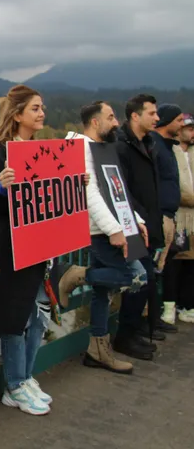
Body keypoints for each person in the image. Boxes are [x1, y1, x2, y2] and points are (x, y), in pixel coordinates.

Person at [0, 84, 69, 416]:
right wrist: (0, 187)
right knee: (15, 318)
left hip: (39, 249)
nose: (42, 114)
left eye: (42, 108)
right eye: (36, 109)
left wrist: (73, 184)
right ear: (18, 115)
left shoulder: (42, 153)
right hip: (10, 250)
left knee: (36, 316)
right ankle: (15, 385)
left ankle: (25, 377)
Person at [66, 101, 149, 374]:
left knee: (103, 292)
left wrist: (135, 222)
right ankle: (77, 274)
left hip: (111, 228)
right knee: (135, 276)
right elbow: (91, 195)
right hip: (99, 231)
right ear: (95, 122)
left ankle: (97, 350)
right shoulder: (81, 150)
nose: (116, 123)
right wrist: (115, 229)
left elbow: (116, 191)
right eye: (111, 117)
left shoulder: (103, 148)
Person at [112, 94, 165, 360]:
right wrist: (139, 219)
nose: (157, 118)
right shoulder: (122, 146)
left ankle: (133, 332)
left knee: (147, 280)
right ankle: (124, 336)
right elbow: (123, 189)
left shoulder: (147, 143)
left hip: (148, 223)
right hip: (133, 223)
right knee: (139, 280)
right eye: (152, 113)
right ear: (135, 116)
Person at [150, 104, 185, 327]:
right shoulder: (155, 146)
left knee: (159, 268)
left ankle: (155, 316)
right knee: (150, 268)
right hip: (158, 215)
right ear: (167, 121)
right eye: (179, 120)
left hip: (169, 215)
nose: (182, 125)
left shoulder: (168, 147)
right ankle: (148, 318)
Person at [164, 112, 194, 323]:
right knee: (172, 263)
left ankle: (187, 305)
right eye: (189, 128)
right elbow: (173, 187)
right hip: (177, 217)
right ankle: (169, 307)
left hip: (192, 220)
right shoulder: (171, 152)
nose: (192, 133)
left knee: (191, 265)